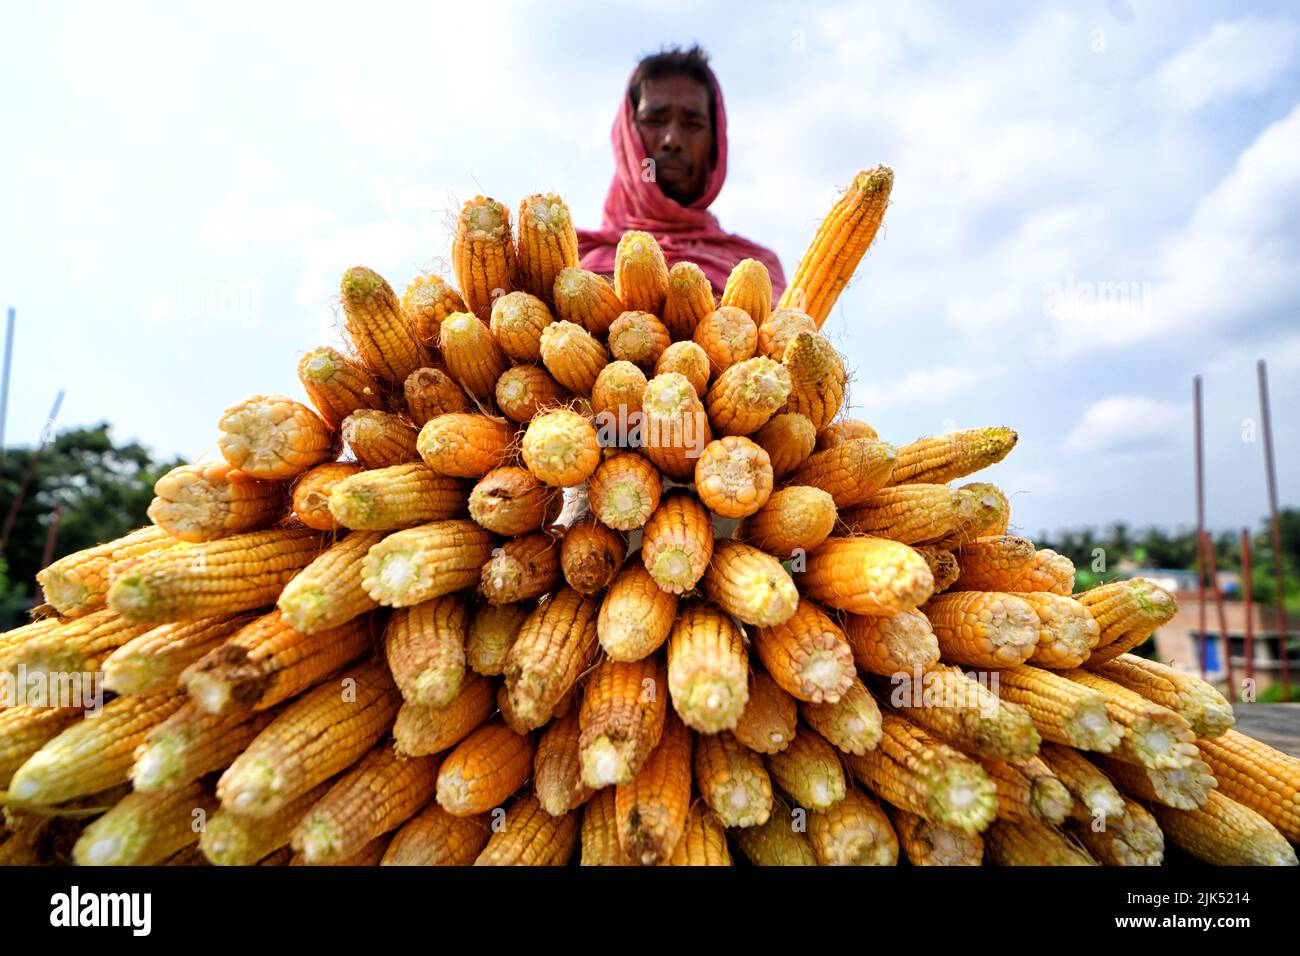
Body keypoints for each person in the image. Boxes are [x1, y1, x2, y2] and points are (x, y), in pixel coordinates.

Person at [577, 45, 786, 300]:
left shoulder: (759, 273)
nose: (672, 140)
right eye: (654, 120)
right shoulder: (576, 263)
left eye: (692, 124)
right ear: (626, 136)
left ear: (715, 144)